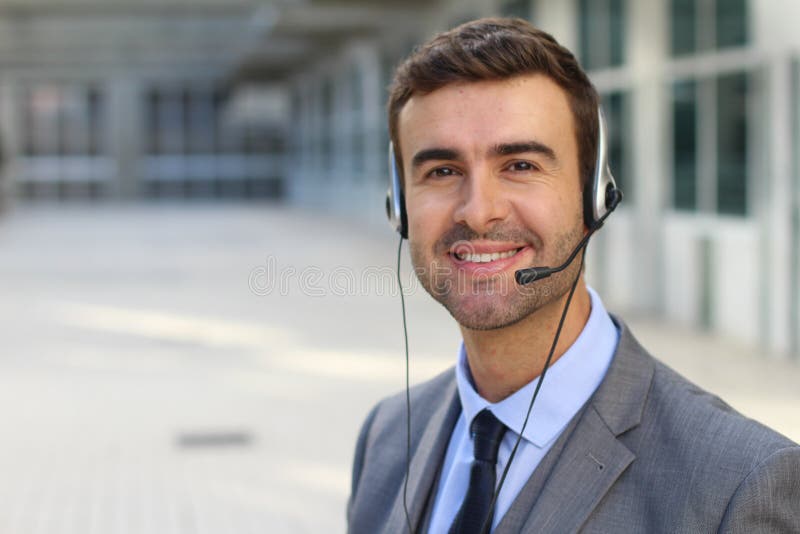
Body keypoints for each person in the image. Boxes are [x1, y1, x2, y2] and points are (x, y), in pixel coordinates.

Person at [347, 17, 800, 534]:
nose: (478, 211)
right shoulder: (385, 437)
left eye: (520, 165)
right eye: (442, 171)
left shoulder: (738, 488)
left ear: (595, 195)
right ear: (399, 207)